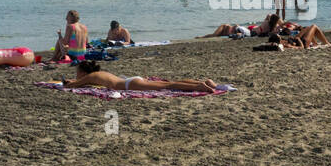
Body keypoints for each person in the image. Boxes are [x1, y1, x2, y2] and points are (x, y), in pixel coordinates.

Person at [64, 60, 217, 93]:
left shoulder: (90, 76)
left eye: (78, 73)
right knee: (169, 83)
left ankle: (199, 86)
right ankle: (203, 82)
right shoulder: (99, 74)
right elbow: (82, 83)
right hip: (132, 80)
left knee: (168, 86)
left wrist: (68, 82)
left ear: (83, 72)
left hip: (130, 85)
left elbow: (73, 85)